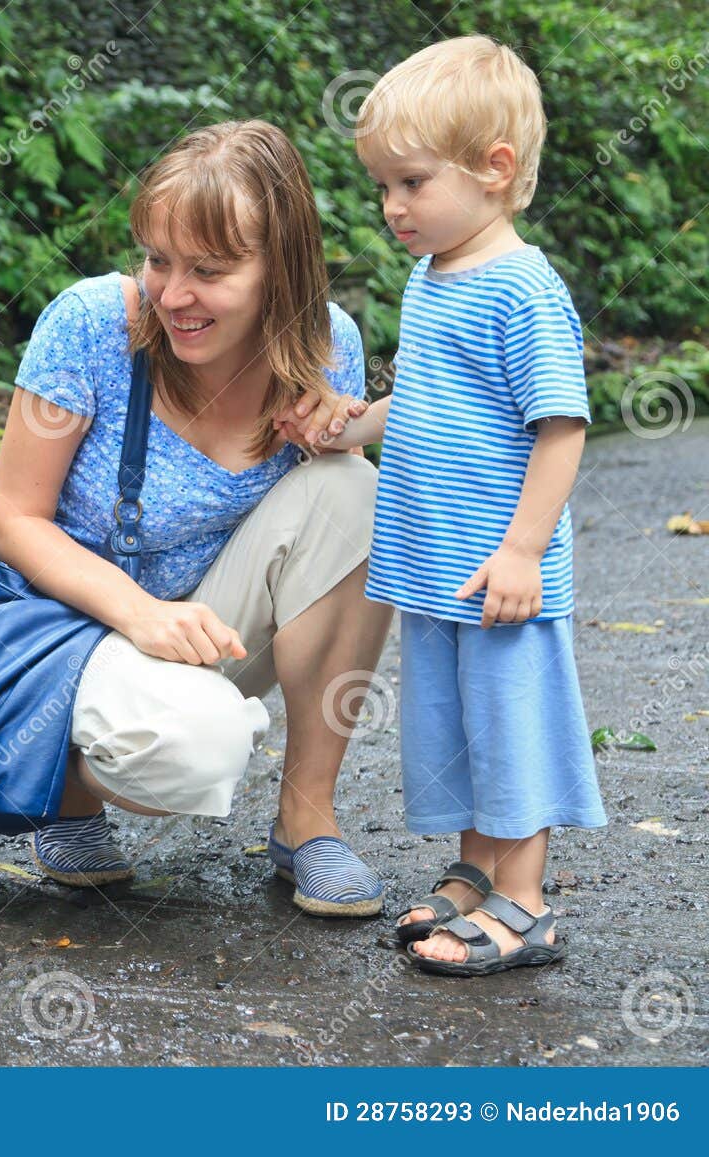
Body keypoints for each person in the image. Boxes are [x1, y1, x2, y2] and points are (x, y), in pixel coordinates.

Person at [0, 119, 390, 916]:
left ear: (282, 270)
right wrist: (143, 615)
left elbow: (322, 543)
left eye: (209, 270)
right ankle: (65, 789)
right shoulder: (92, 324)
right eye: (159, 260)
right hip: (67, 641)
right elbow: (12, 521)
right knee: (197, 752)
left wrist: (335, 430)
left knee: (355, 491)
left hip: (207, 639)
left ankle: (307, 817)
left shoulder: (325, 342)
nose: (172, 295)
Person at [321, 37, 606, 972]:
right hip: (436, 561)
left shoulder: (522, 289)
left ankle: (526, 903)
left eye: (410, 183)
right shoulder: (435, 272)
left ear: (495, 171)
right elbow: (432, 404)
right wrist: (350, 427)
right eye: (383, 188)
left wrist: (525, 549)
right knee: (459, 732)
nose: (393, 208)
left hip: (499, 569)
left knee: (512, 728)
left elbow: (561, 424)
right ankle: (476, 872)